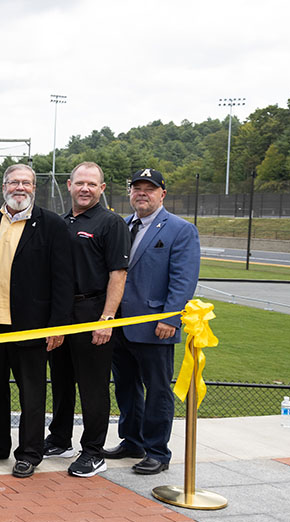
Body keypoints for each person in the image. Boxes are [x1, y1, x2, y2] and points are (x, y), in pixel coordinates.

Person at [0, 165, 73, 479]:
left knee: (31, 393)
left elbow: (63, 280)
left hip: (31, 325)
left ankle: (29, 453)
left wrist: (58, 325)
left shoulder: (52, 225)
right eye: (15, 182)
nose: (21, 188)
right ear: (4, 186)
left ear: (35, 188)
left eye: (27, 183)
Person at [109, 168, 199, 474]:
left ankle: (158, 451)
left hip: (155, 325)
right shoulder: (121, 225)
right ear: (130, 192)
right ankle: (132, 440)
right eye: (137, 188)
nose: (142, 193)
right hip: (120, 324)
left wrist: (171, 318)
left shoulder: (180, 229)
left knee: (158, 389)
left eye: (149, 188)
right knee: (125, 386)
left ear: (162, 193)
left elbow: (183, 279)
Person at [46, 161, 130, 478]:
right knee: (62, 381)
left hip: (93, 311)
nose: (85, 189)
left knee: (93, 386)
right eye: (80, 183)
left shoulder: (110, 223)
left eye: (92, 185)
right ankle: (59, 438)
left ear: (102, 189)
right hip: (62, 314)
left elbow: (118, 274)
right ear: (69, 185)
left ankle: (93, 451)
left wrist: (107, 318)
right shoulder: (61, 222)